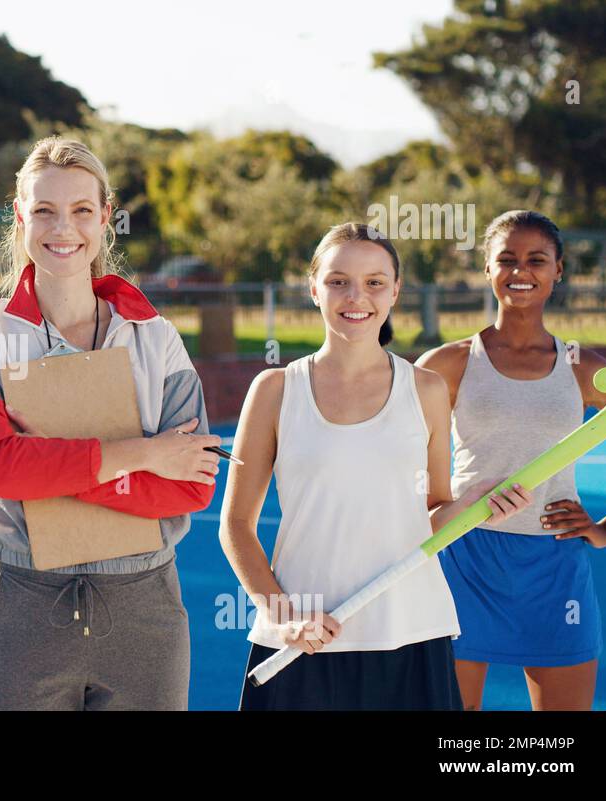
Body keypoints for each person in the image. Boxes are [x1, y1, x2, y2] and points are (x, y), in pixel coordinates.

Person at [0, 137, 220, 711]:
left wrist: (48, 469)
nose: (61, 228)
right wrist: (144, 454)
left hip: (144, 608)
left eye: (80, 211)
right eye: (43, 210)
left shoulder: (156, 337)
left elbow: (191, 485)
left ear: (104, 219)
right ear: (20, 218)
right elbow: (0, 470)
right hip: (22, 603)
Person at [220, 222, 532, 710]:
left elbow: (431, 518)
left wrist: (476, 507)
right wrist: (282, 615)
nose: (355, 296)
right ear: (314, 288)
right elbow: (236, 525)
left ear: (395, 292)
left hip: (410, 631)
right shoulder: (275, 390)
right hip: (303, 638)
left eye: (374, 282)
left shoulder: (426, 390)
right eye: (338, 280)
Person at [418, 210, 606, 711]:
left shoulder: (585, 367)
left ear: (559, 270)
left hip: (555, 566)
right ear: (487, 269)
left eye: (536, 259)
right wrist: (431, 515)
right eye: (506, 259)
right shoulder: (448, 363)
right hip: (464, 559)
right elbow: (402, 464)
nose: (520, 271)